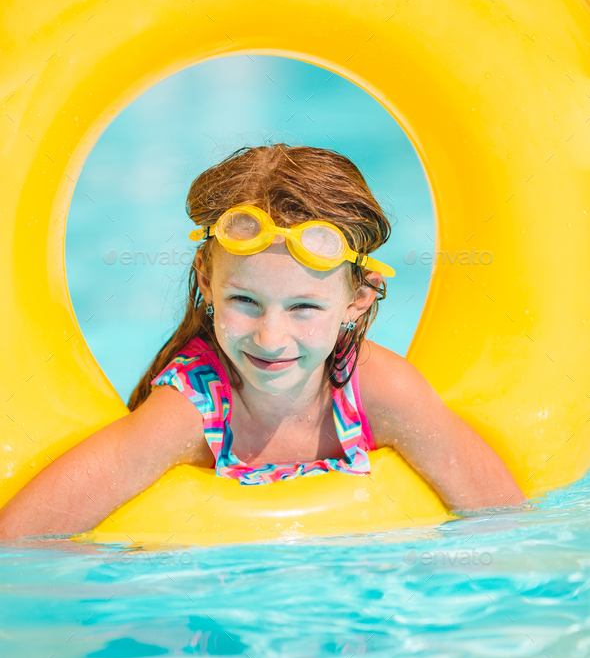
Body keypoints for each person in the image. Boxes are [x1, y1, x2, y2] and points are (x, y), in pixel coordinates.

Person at [0, 144, 525, 539]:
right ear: (207, 281)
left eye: (304, 308)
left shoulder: (381, 392)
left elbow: (503, 522)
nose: (271, 338)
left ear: (358, 300)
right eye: (245, 301)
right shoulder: (190, 412)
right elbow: (24, 538)